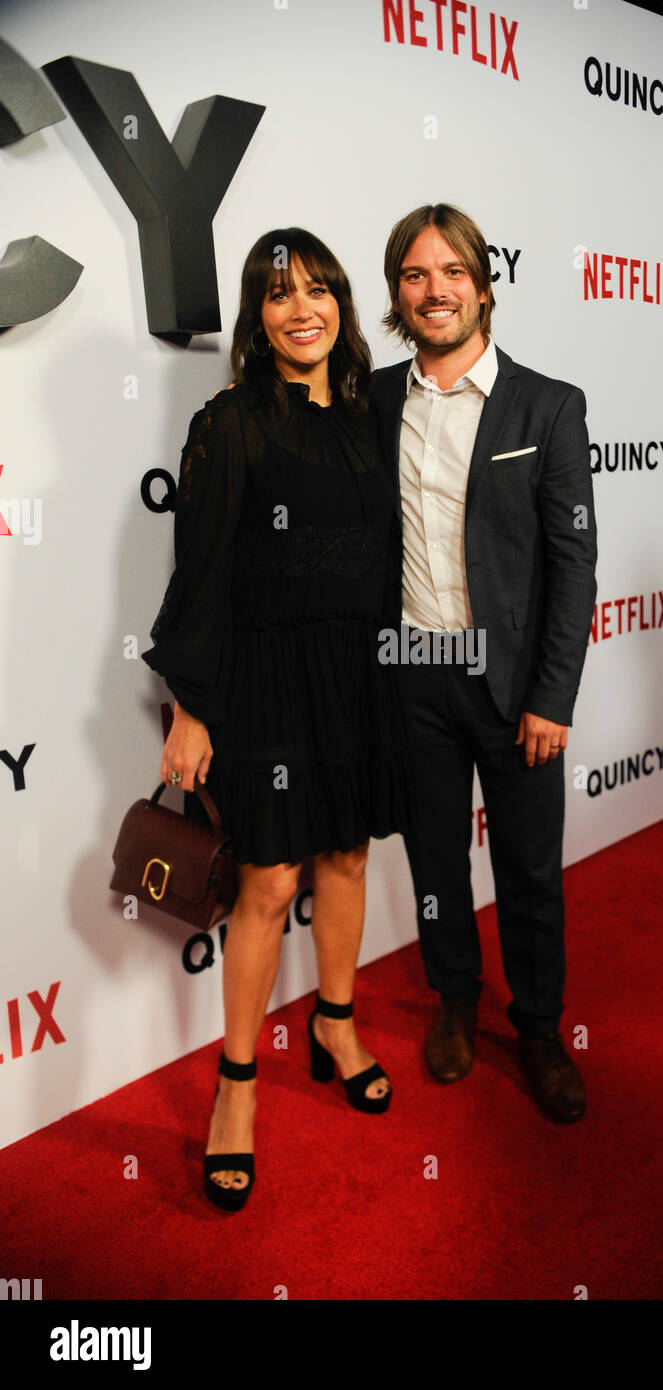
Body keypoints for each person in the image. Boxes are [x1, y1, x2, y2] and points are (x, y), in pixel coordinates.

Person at [141, 228, 409, 1211]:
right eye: (281, 294)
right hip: (266, 680)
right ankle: (236, 1086)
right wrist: (191, 706)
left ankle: (336, 1025)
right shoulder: (230, 422)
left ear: (342, 303)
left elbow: (387, 561)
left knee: (346, 858)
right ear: (256, 317)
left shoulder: (368, 418)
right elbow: (201, 570)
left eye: (321, 291)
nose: (305, 310)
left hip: (356, 673)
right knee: (265, 884)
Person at [368, 203, 597, 1122]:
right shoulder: (376, 400)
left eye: (451, 272)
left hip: (513, 692)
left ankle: (538, 1026)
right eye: (415, 275)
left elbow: (572, 564)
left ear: (482, 284)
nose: (434, 291)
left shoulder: (548, 405)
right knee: (433, 862)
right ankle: (454, 999)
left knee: (531, 872)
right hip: (414, 672)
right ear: (397, 293)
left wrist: (551, 696)